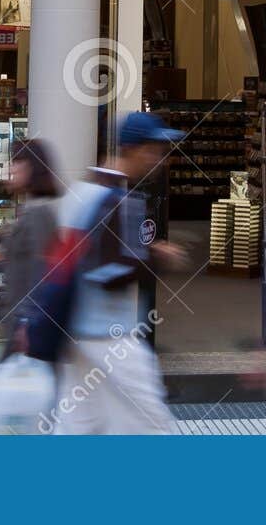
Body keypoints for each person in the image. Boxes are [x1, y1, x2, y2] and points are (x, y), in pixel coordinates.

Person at [54, 112, 187, 434]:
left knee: (79, 426)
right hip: (113, 339)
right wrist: (156, 258)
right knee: (153, 427)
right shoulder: (121, 201)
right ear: (134, 149)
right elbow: (109, 273)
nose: (160, 160)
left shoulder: (80, 192)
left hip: (75, 332)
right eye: (155, 150)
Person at [0, 138, 63, 346]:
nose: (10, 168)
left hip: (26, 332)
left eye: (16, 162)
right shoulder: (30, 209)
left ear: (32, 168)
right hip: (18, 326)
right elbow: (21, 262)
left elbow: (42, 272)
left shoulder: (39, 213)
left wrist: (27, 323)